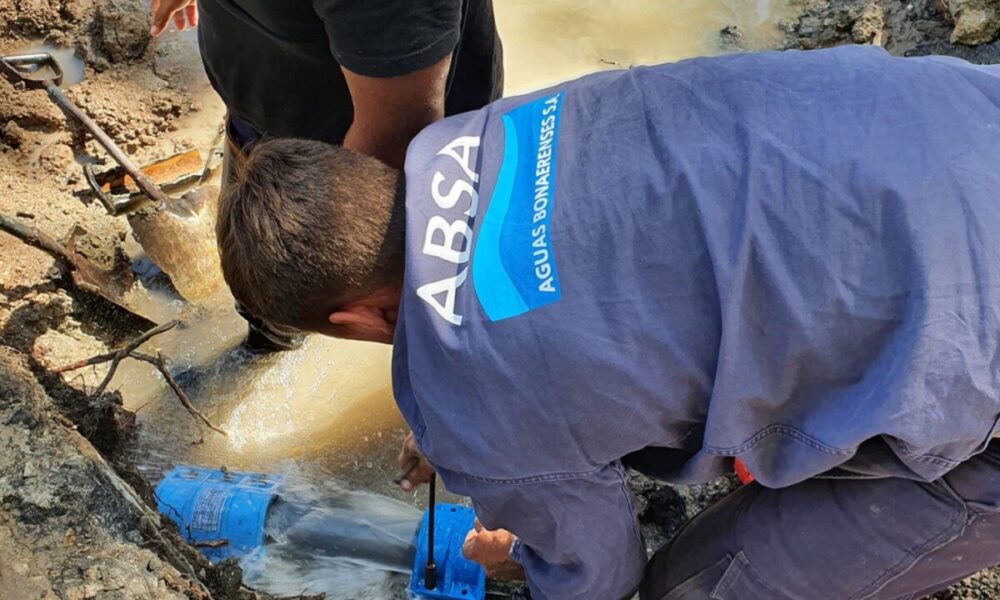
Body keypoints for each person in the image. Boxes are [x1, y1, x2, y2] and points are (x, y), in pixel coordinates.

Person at [214, 45, 1000, 599]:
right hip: (973, 120)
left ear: (351, 319)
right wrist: (479, 424)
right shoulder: (493, 130)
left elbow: (600, 578)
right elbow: (557, 299)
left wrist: (525, 550)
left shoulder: (476, 402)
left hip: (984, 378)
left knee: (689, 589)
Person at [149, 0, 503, 350]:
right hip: (265, 119)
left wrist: (398, 313)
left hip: (375, 154)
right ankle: (271, 335)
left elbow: (399, 132)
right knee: (268, 301)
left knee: (429, 310)